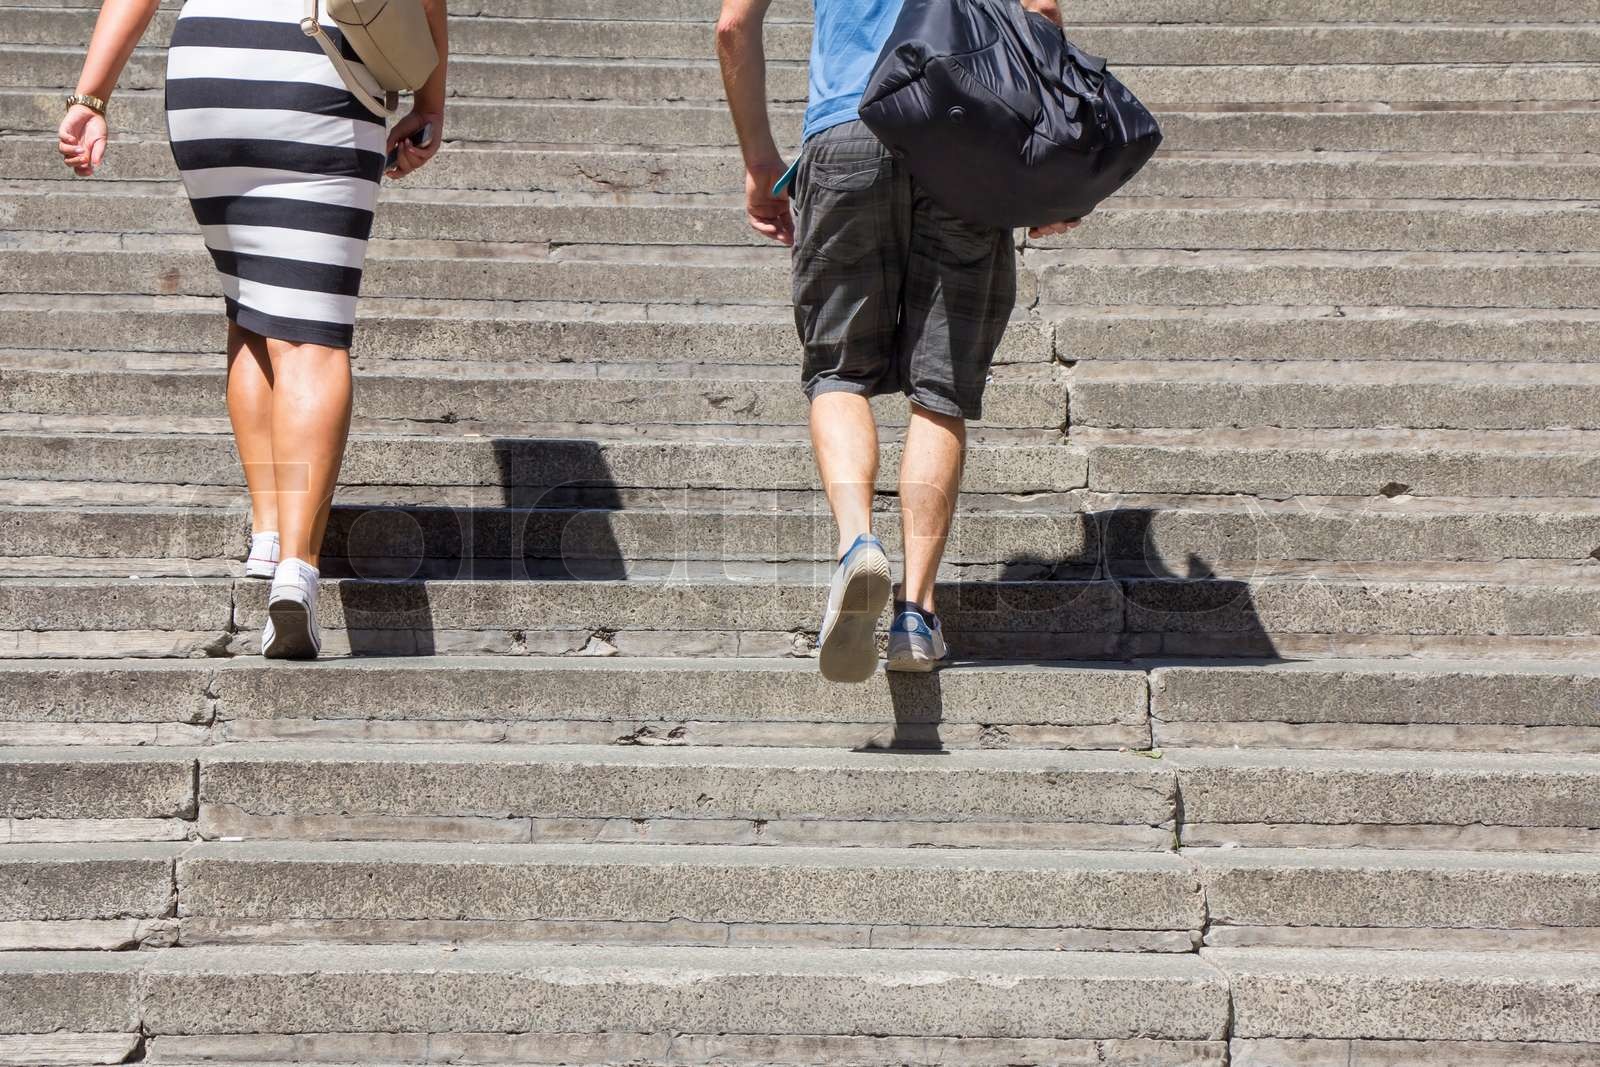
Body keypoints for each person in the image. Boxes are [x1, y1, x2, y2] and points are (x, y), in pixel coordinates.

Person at [59, 0, 449, 658]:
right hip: (316, 64)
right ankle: (297, 567)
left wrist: (90, 98)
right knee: (310, 335)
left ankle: (268, 536)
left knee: (251, 309)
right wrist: (430, 98)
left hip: (206, 72)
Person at [716, 0, 1081, 682]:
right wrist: (1049, 164)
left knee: (838, 371)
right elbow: (1040, 11)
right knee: (939, 387)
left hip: (848, 128)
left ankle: (859, 542)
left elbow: (733, 25)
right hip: (963, 137)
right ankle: (916, 613)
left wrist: (760, 158)